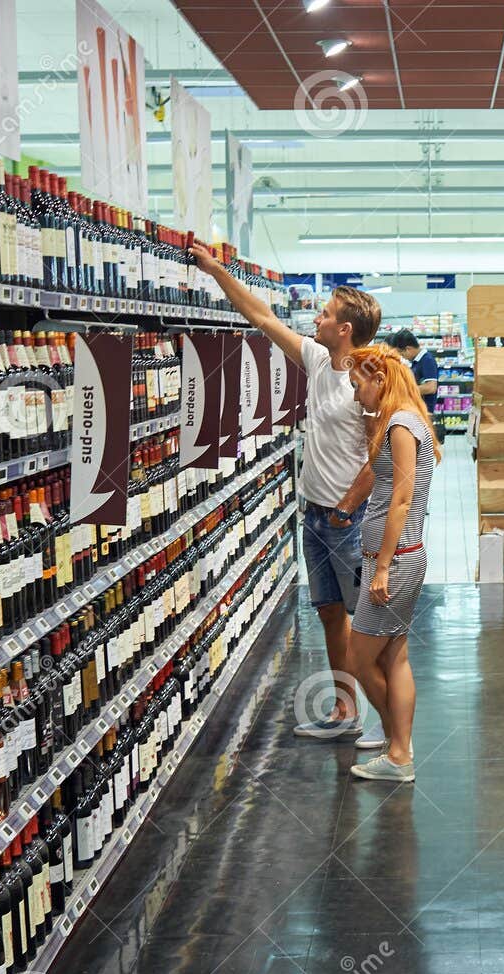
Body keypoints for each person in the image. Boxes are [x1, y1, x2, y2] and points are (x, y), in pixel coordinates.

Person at [188, 242, 386, 749]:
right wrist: (217, 272)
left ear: (345, 329)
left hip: (348, 517)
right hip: (315, 517)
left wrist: (346, 508)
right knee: (330, 614)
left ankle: (389, 723)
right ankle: (346, 708)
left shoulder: (368, 381)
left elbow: (378, 458)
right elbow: (259, 315)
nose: (315, 318)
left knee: (367, 621)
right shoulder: (318, 359)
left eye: (325, 313)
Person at [343, 344, 440, 782]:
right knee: (395, 656)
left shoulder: (402, 424)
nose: (355, 394)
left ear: (379, 380)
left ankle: (398, 746)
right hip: (399, 556)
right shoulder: (402, 419)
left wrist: (381, 568)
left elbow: (401, 499)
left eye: (358, 385)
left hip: (395, 560)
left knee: (360, 658)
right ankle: (399, 746)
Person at [392, 329, 444, 444]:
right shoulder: (416, 361)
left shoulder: (427, 360)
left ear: (408, 349)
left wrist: (404, 390)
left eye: (401, 353)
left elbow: (431, 387)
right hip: (418, 411)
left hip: (425, 412)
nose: (403, 357)